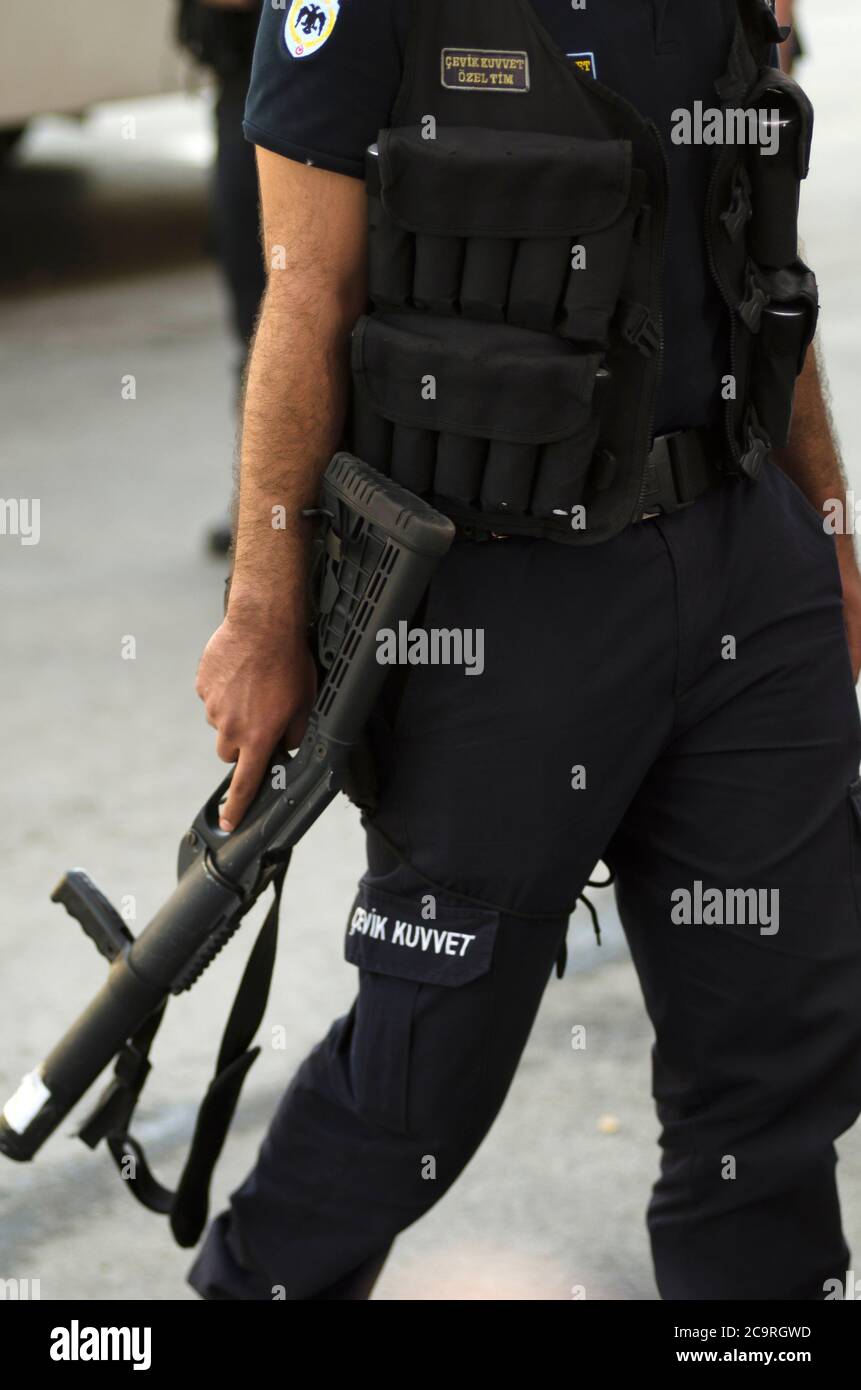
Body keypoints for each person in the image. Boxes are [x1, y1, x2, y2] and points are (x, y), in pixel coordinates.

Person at [189, 0, 861, 1300]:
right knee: (419, 1079)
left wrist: (825, 527)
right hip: (505, 601)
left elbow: (758, 276)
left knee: (780, 1057)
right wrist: (265, 613)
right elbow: (305, 294)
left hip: (741, 549)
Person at [177, 0, 266, 555]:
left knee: (288, 312)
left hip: (300, 82)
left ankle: (268, 507)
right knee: (255, 322)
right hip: (241, 83)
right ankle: (258, 502)